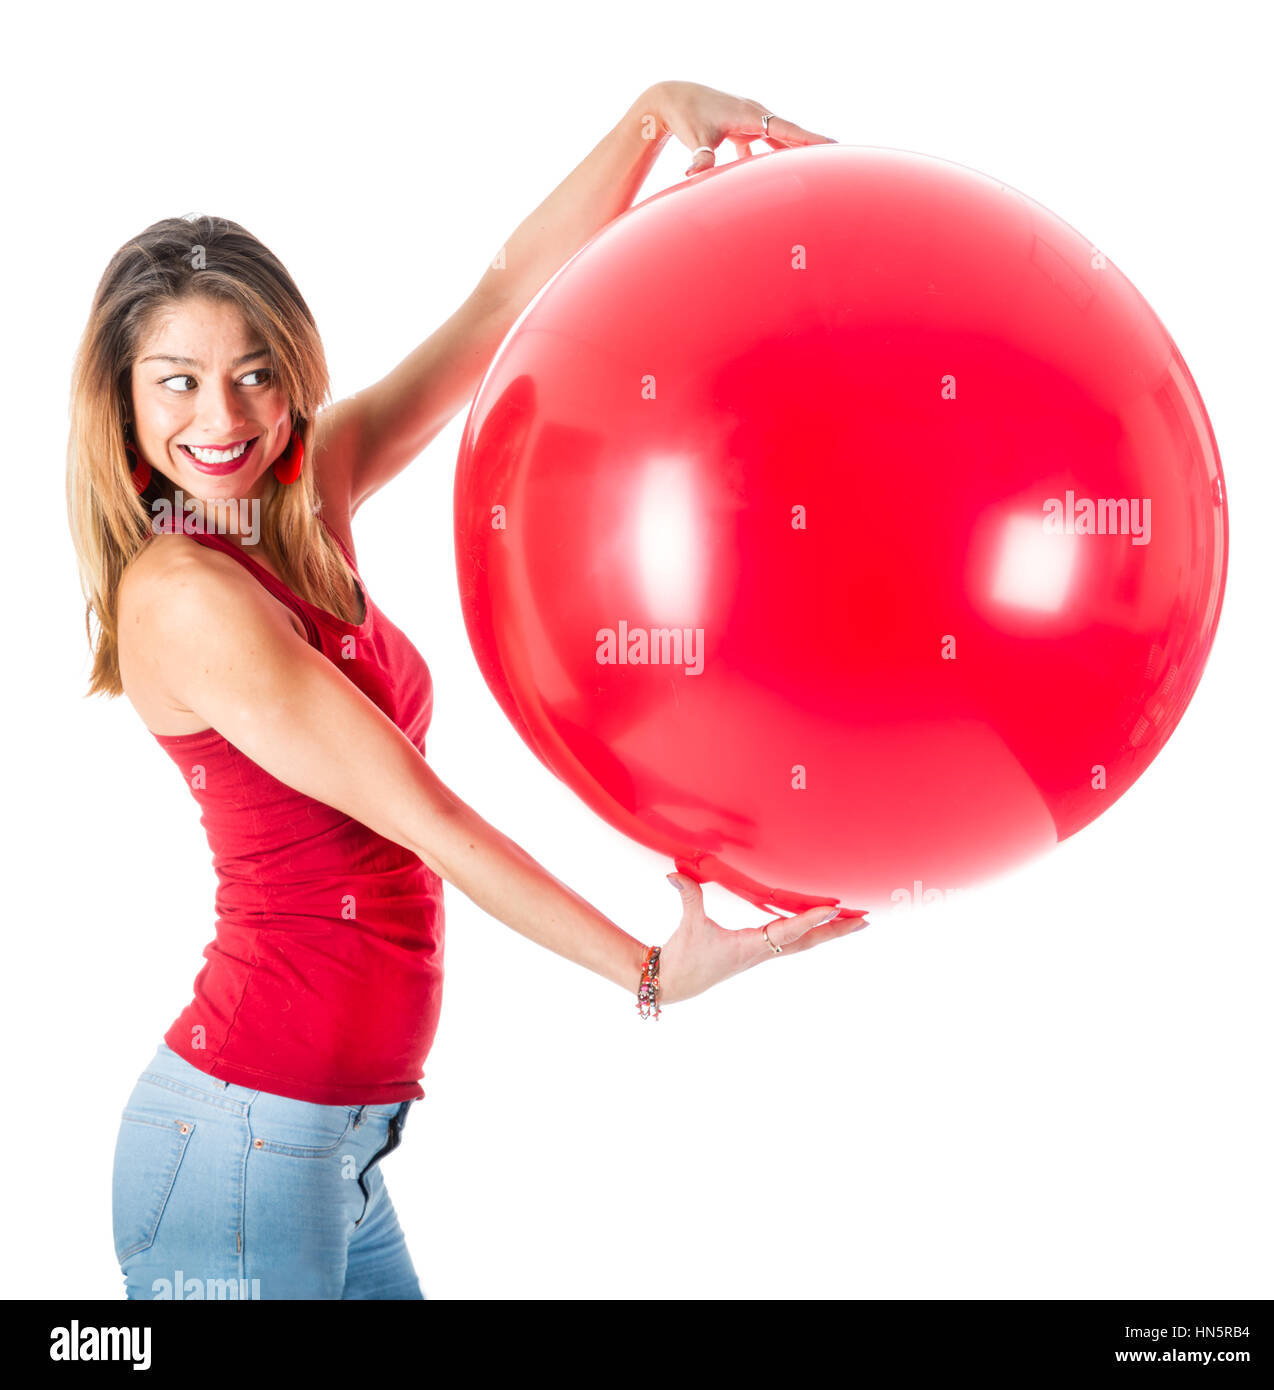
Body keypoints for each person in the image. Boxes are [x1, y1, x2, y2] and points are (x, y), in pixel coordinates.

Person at [66, 81, 865, 1301]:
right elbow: (423, 817)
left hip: (332, 1143)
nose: (220, 418)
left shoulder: (305, 492)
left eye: (254, 373)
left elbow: (495, 305)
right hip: (240, 1142)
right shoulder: (186, 594)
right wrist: (648, 968)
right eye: (175, 380)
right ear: (121, 395)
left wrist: (658, 119)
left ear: (295, 374)